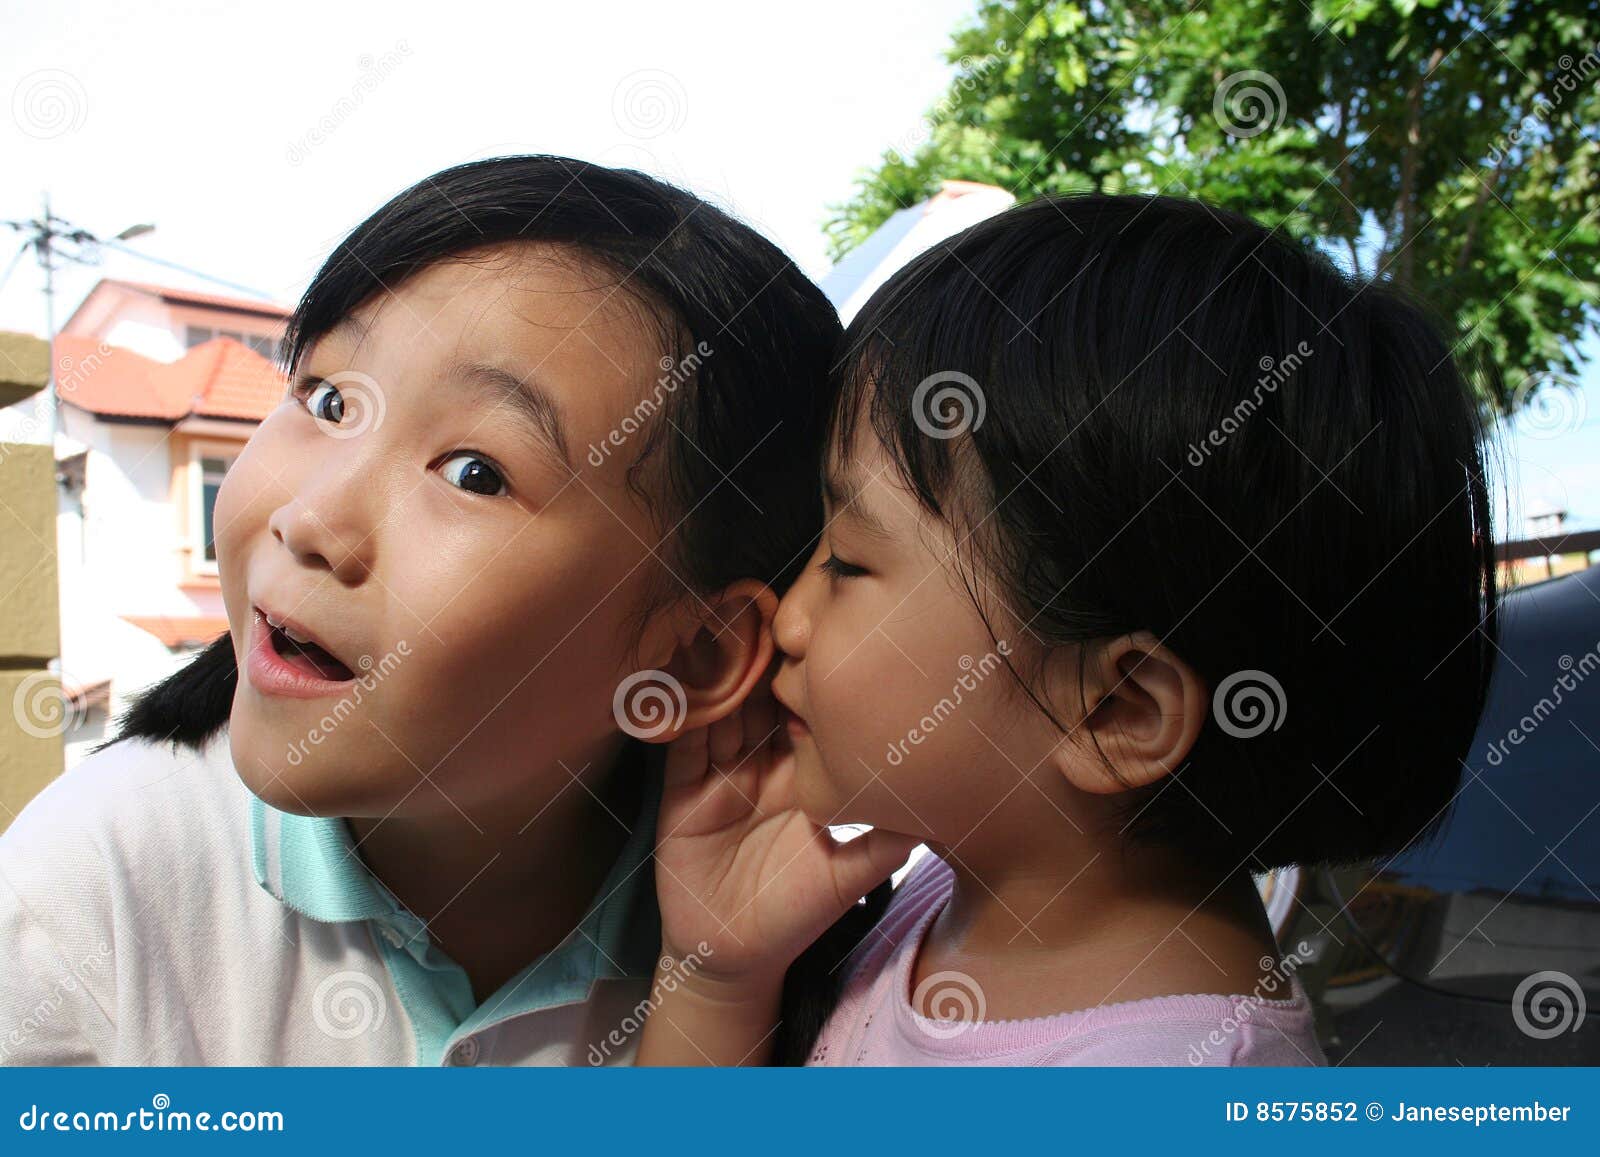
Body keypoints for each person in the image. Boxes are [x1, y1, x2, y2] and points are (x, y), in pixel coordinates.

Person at [0, 155, 841, 1066]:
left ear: (699, 657)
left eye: (474, 472)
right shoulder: (90, 882)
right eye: (327, 399)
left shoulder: (780, 920)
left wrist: (717, 985)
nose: (311, 517)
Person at [636, 193, 1498, 1067]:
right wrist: (718, 977)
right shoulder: (966, 886)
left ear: (1115, 709)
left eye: (850, 563)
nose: (789, 615)